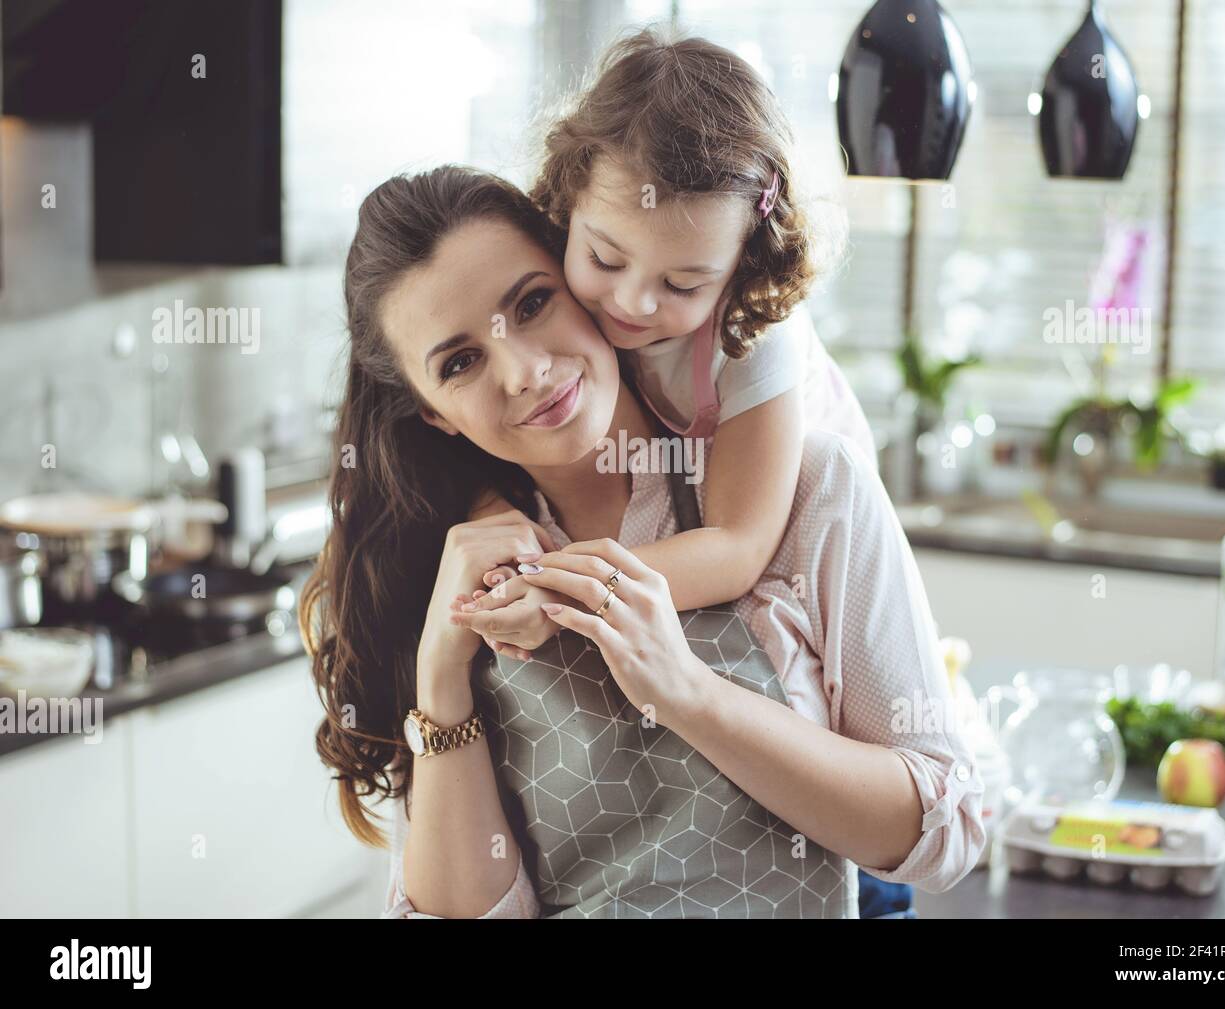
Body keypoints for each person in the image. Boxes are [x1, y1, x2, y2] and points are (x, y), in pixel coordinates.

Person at [300, 166, 984, 918]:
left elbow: (944, 832)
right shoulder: (443, 572)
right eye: (460, 363)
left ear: (582, 280)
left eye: (533, 303)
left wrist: (688, 692)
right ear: (434, 414)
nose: (526, 371)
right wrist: (440, 679)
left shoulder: (809, 486)